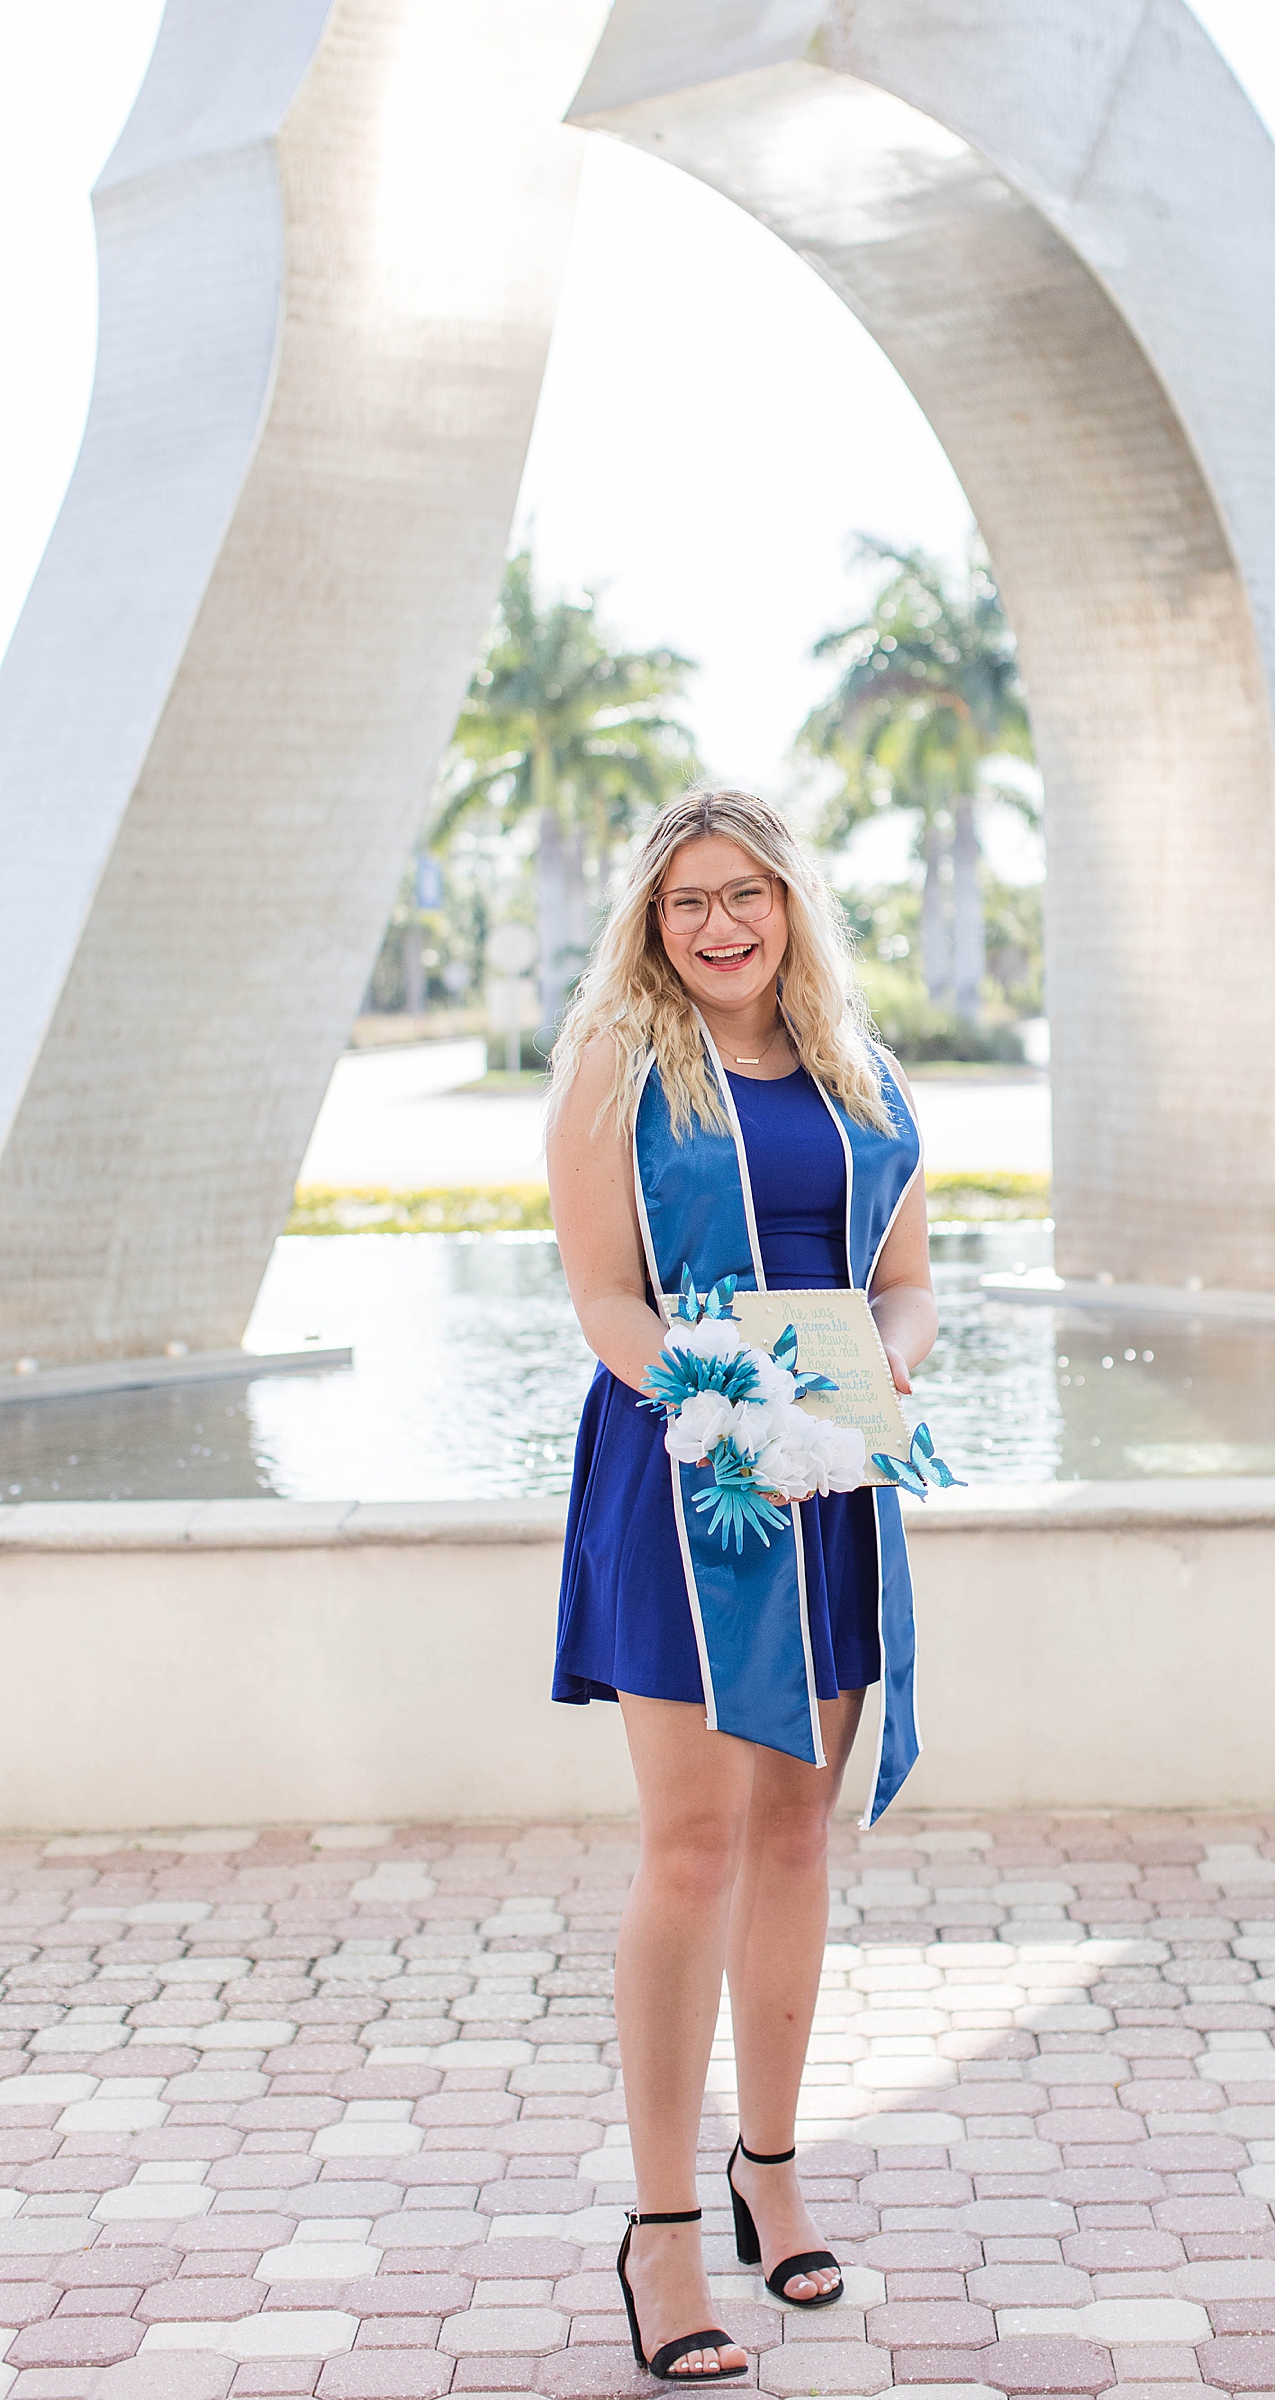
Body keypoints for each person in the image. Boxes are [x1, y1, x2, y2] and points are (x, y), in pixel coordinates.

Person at [544, 787, 938, 2381]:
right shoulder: (615, 1076)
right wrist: (730, 1413)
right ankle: (660, 2233)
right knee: (693, 1846)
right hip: (686, 1478)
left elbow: (905, 1290)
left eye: (748, 895)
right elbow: (604, 1296)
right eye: (688, 899)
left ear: (792, 908)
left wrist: (873, 1396)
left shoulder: (862, 1074)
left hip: (829, 1490)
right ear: (652, 919)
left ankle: (771, 2172)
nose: (719, 924)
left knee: (795, 1831)